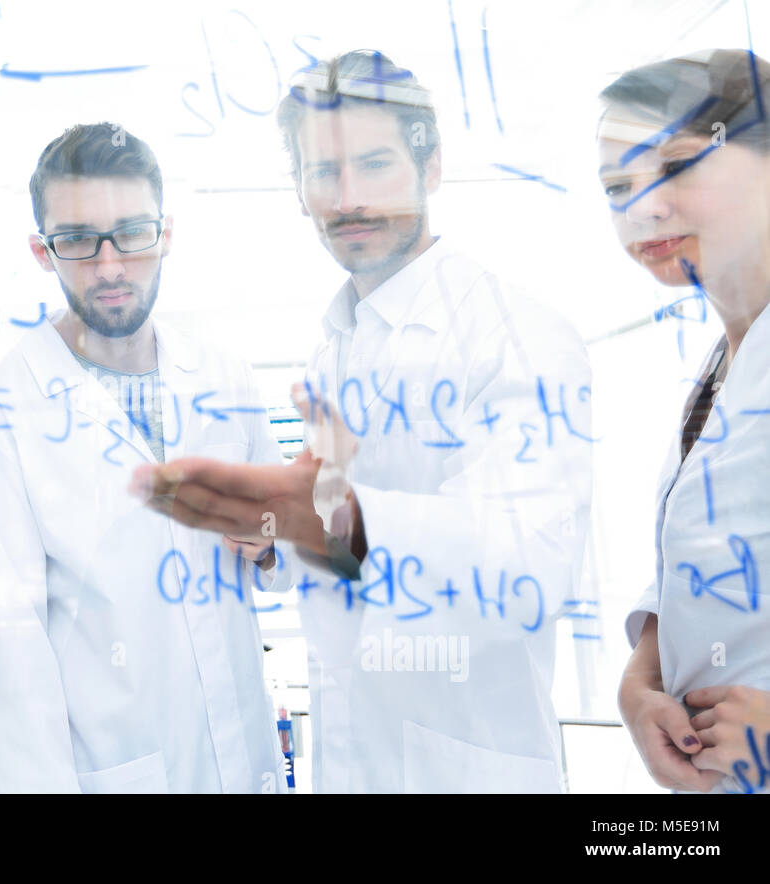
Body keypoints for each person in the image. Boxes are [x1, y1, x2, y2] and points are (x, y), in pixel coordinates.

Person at [132, 51, 594, 792]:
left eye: (375, 165)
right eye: (323, 173)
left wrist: (333, 518)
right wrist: (273, 541)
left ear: (432, 165)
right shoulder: (334, 349)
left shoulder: (514, 337)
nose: (347, 199)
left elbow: (522, 572)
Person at [0, 123, 292, 793]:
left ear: (165, 234)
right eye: (78, 240)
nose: (110, 267)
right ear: (42, 251)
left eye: (132, 234)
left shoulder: (224, 378)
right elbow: (12, 667)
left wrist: (272, 544)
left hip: (244, 761)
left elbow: (287, 553)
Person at [606, 49, 770, 795]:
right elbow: (704, 558)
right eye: (618, 185)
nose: (642, 207)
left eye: (675, 165)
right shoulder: (719, 369)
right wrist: (640, 681)